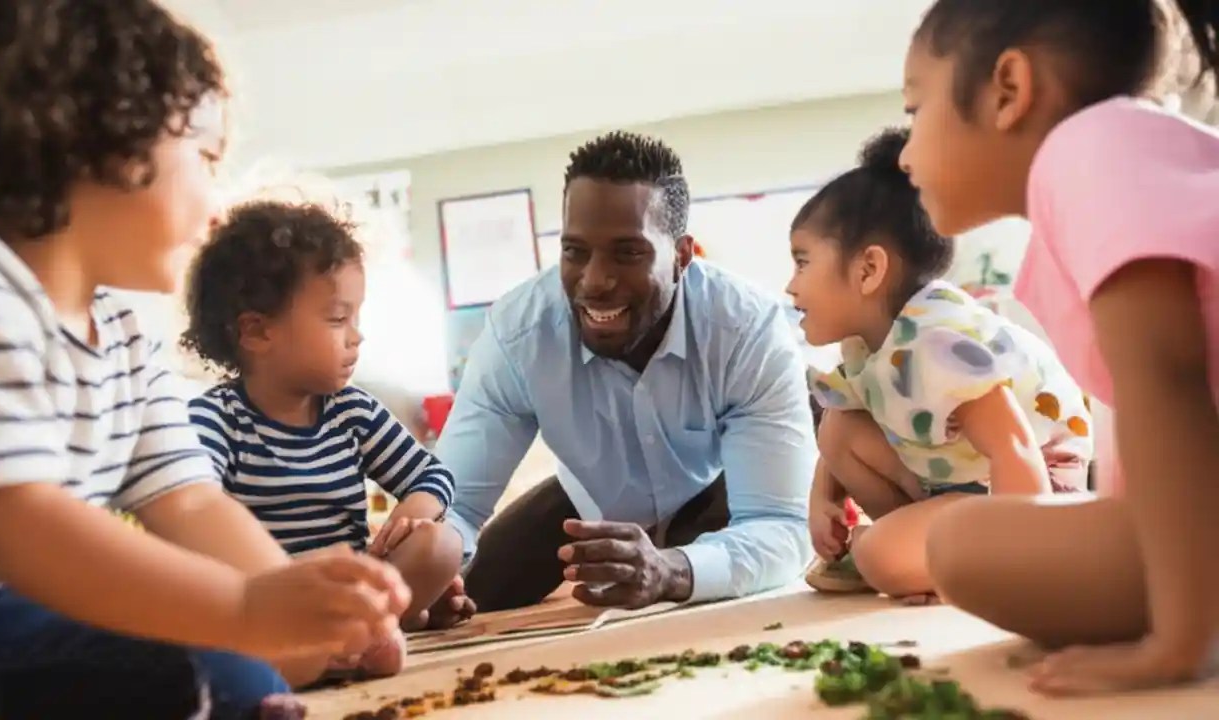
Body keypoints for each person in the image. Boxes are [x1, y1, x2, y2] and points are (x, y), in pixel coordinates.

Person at [0, 1, 409, 717]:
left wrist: (308, 617)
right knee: (205, 670)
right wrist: (246, 610)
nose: (217, 206)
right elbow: (11, 519)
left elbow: (187, 500)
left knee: (237, 668)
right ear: (107, 144)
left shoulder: (122, 333)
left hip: (20, 620)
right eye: (205, 157)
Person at [899, 0, 1219, 696]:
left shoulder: (1088, 152)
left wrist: (1179, 642)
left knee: (960, 545)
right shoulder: (1120, 156)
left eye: (914, 111)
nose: (904, 152)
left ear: (1007, 90)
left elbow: (1167, 379)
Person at [437, 131, 817, 612]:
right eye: (575, 251)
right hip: (588, 503)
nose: (594, 282)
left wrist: (671, 570)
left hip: (711, 492)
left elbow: (781, 524)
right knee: (471, 590)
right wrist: (433, 572)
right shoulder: (519, 335)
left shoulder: (746, 328)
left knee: (717, 577)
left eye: (628, 253)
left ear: (682, 256)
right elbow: (453, 505)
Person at [787, 127, 1091, 604]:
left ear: (868, 270)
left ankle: (933, 557)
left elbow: (1016, 450)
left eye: (802, 263)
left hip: (1035, 493)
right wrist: (822, 499)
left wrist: (1023, 563)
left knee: (879, 555)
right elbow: (840, 436)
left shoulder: (939, 342)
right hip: (962, 483)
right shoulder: (866, 347)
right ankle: (921, 548)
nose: (790, 286)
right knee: (838, 428)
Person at [183, 199, 472, 685]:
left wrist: (414, 515)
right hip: (268, 597)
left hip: (349, 588)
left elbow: (432, 474)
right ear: (258, 331)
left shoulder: (350, 410)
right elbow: (195, 507)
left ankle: (358, 637)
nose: (356, 338)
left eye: (356, 319)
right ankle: (355, 640)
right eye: (338, 320)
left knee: (440, 545)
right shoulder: (217, 419)